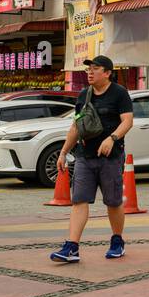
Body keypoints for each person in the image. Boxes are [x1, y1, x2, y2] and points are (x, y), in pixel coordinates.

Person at [50, 56, 135, 263]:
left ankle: (117, 241)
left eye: (95, 69)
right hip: (84, 156)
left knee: (113, 202)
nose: (90, 72)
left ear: (107, 73)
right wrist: (63, 152)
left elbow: (128, 121)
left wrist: (112, 138)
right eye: (89, 69)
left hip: (110, 158)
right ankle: (72, 247)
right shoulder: (83, 95)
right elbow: (76, 127)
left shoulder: (119, 93)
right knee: (79, 200)